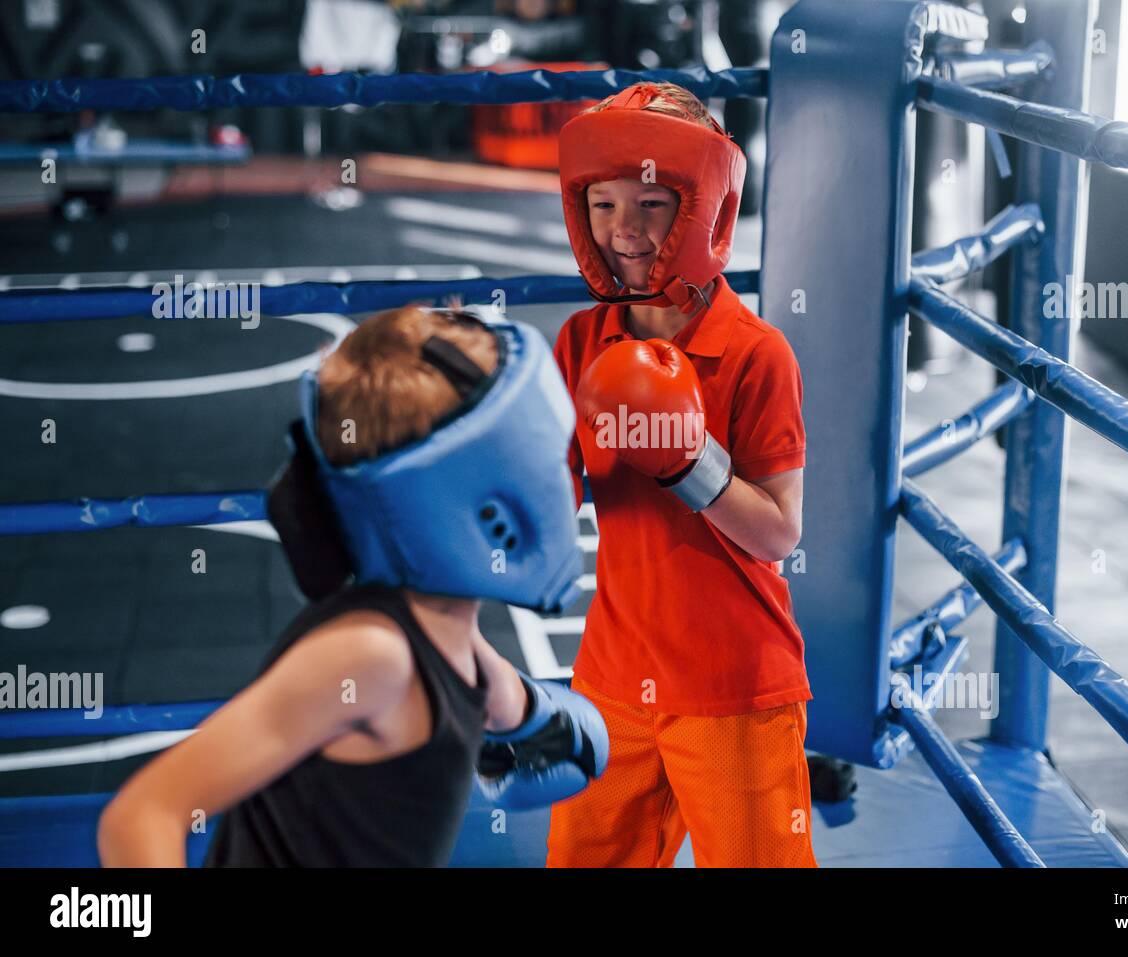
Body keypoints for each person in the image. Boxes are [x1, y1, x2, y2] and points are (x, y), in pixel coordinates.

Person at [97, 304, 607, 867]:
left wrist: (558, 729)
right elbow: (143, 815)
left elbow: (529, 715)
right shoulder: (369, 656)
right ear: (492, 487)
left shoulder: (454, 642)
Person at [548, 82, 817, 867]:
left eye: (651, 204)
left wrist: (688, 463)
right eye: (602, 205)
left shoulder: (755, 352)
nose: (623, 231)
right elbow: (549, 495)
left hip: (733, 683)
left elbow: (780, 531)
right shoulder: (581, 339)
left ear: (704, 209)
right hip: (612, 676)